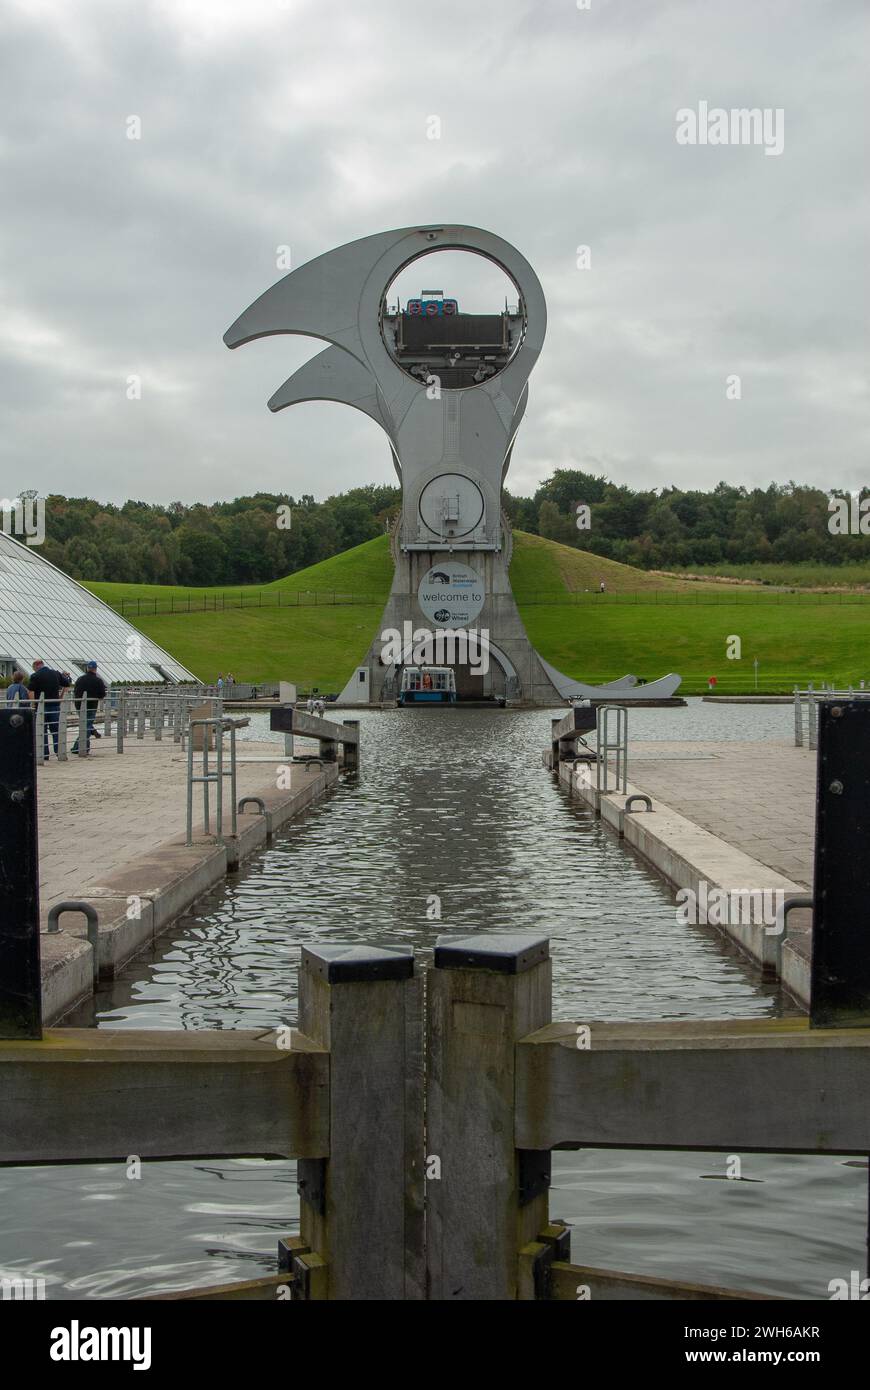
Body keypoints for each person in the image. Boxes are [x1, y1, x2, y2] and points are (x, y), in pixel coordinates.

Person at [27, 659, 72, 761]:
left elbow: (30, 691)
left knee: (42, 731)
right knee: (56, 730)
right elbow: (67, 684)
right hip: (55, 706)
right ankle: (59, 752)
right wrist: (60, 697)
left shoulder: (35, 676)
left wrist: (34, 704)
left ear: (36, 666)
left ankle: (44, 754)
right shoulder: (55, 673)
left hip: (41, 707)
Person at [71, 660, 107, 755]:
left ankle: (82, 746)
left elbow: (75, 691)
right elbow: (102, 694)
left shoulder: (80, 679)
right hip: (91, 706)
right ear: (95, 669)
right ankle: (79, 747)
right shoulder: (98, 681)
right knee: (87, 725)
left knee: (85, 724)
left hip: (79, 705)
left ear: (87, 668)